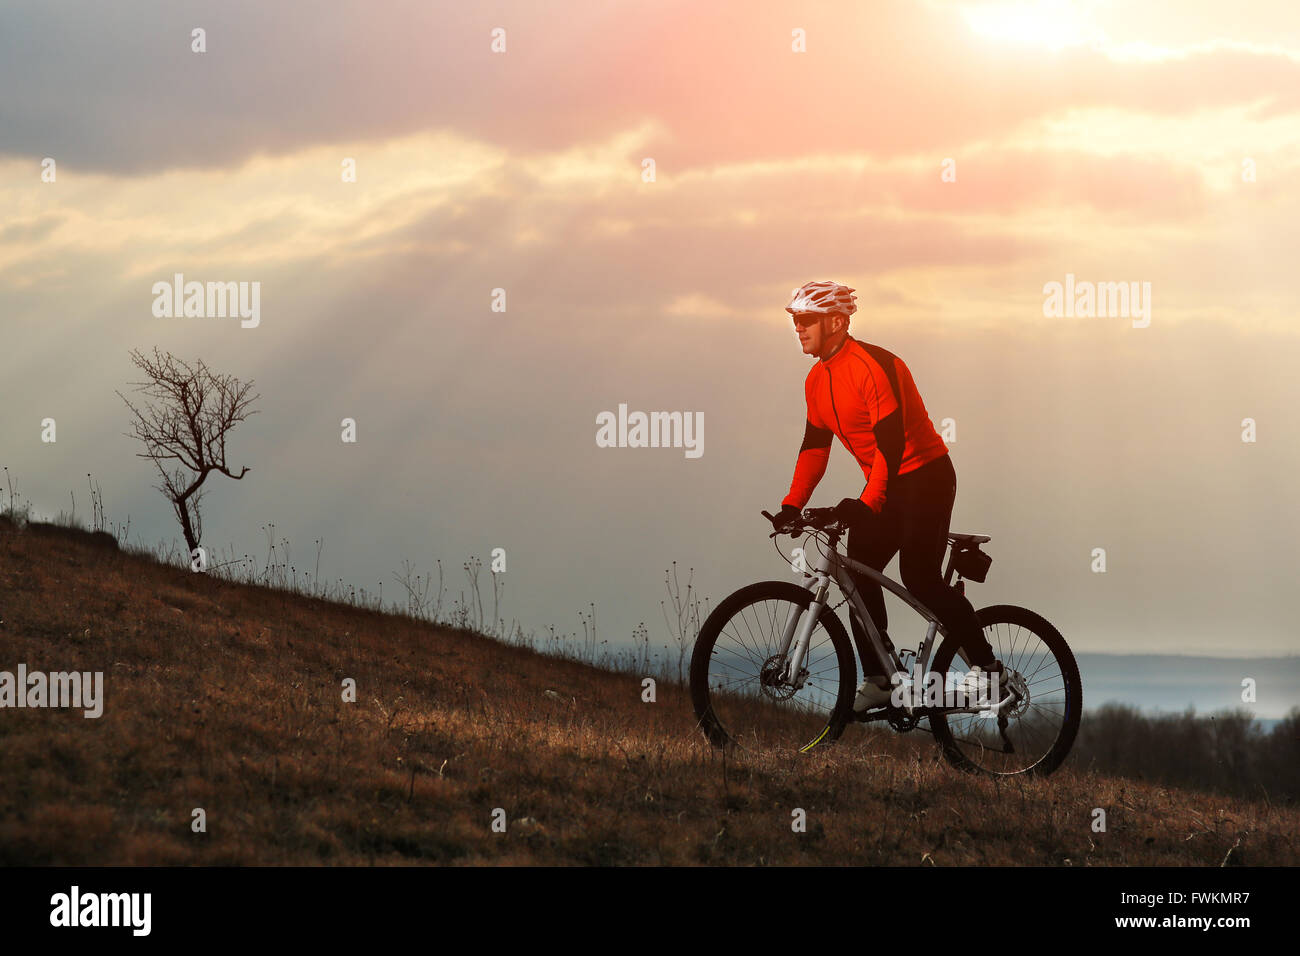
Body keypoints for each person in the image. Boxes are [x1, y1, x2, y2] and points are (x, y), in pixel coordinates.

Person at [771, 280, 1001, 712]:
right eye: (794, 320)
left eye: (805, 320)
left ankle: (990, 673)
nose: (798, 328)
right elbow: (815, 449)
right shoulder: (816, 381)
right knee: (857, 574)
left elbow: (890, 447)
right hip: (886, 479)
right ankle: (880, 679)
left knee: (919, 577)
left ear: (836, 322)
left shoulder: (875, 366)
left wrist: (868, 502)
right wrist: (791, 506)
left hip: (925, 476)